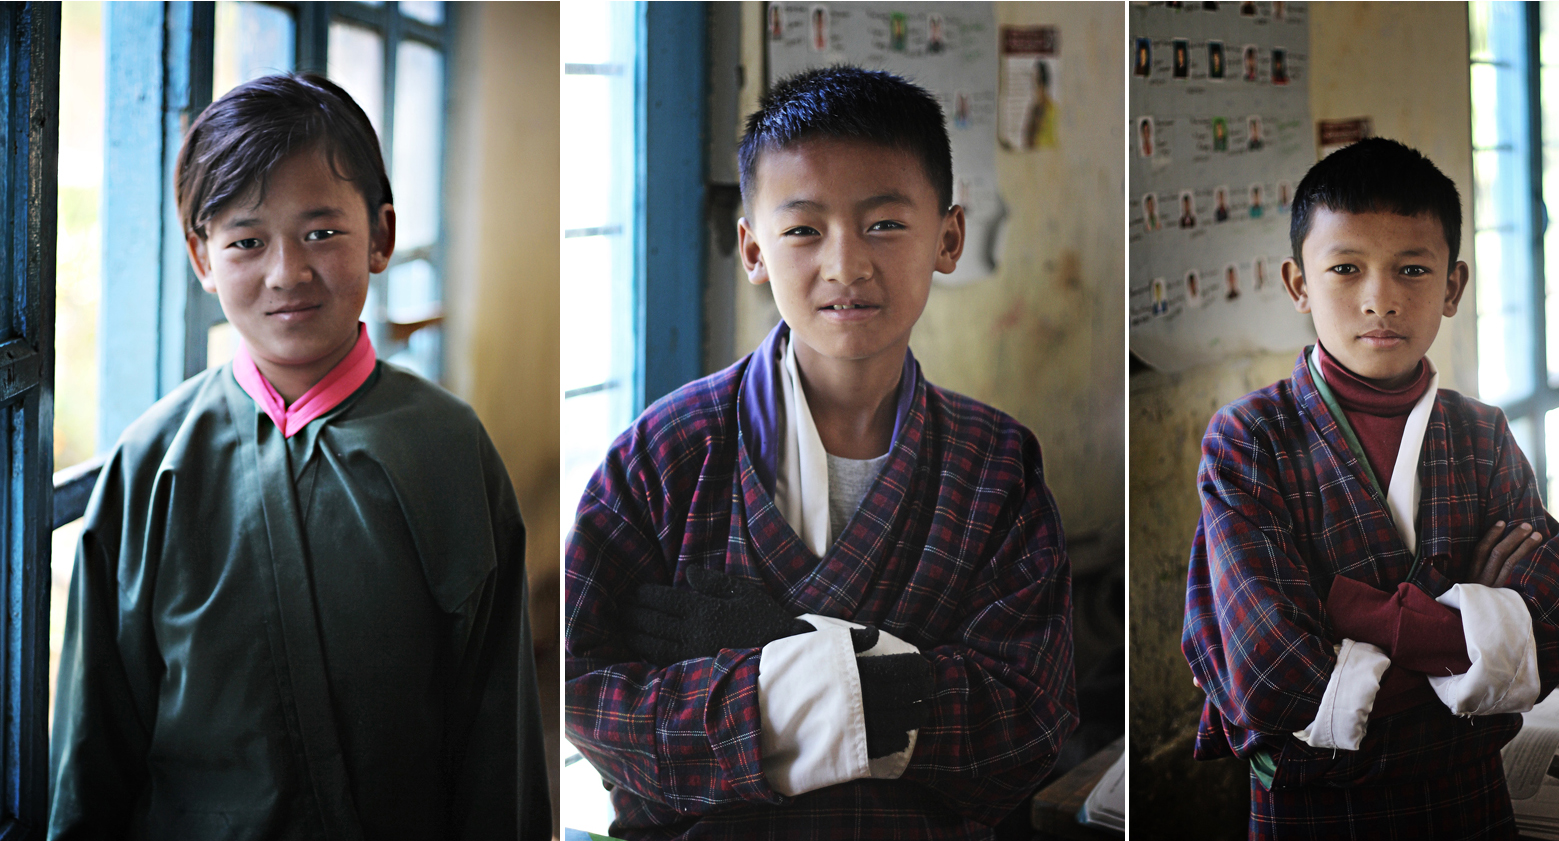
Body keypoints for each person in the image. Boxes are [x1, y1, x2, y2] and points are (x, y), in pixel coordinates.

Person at [563, 66, 1076, 838]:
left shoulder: (996, 465)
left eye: (885, 223)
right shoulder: (665, 455)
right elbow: (585, 693)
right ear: (752, 248)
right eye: (804, 229)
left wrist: (779, 652)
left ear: (948, 238)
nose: (845, 265)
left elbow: (1027, 723)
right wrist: (849, 680)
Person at [49, 72, 549, 838]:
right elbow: (96, 743)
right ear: (202, 257)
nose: (287, 272)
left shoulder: (449, 449)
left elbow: (497, 728)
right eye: (247, 241)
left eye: (321, 233)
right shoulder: (151, 464)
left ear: (380, 236)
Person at [1182, 138, 1559, 839]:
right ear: (1299, 284)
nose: (1380, 300)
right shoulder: (1250, 440)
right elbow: (1270, 677)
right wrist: (1480, 632)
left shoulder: (1483, 434)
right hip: (1314, 815)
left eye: (1413, 269)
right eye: (1345, 268)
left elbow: (1549, 639)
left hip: (1467, 805)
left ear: (1452, 287)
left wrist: (1346, 614)